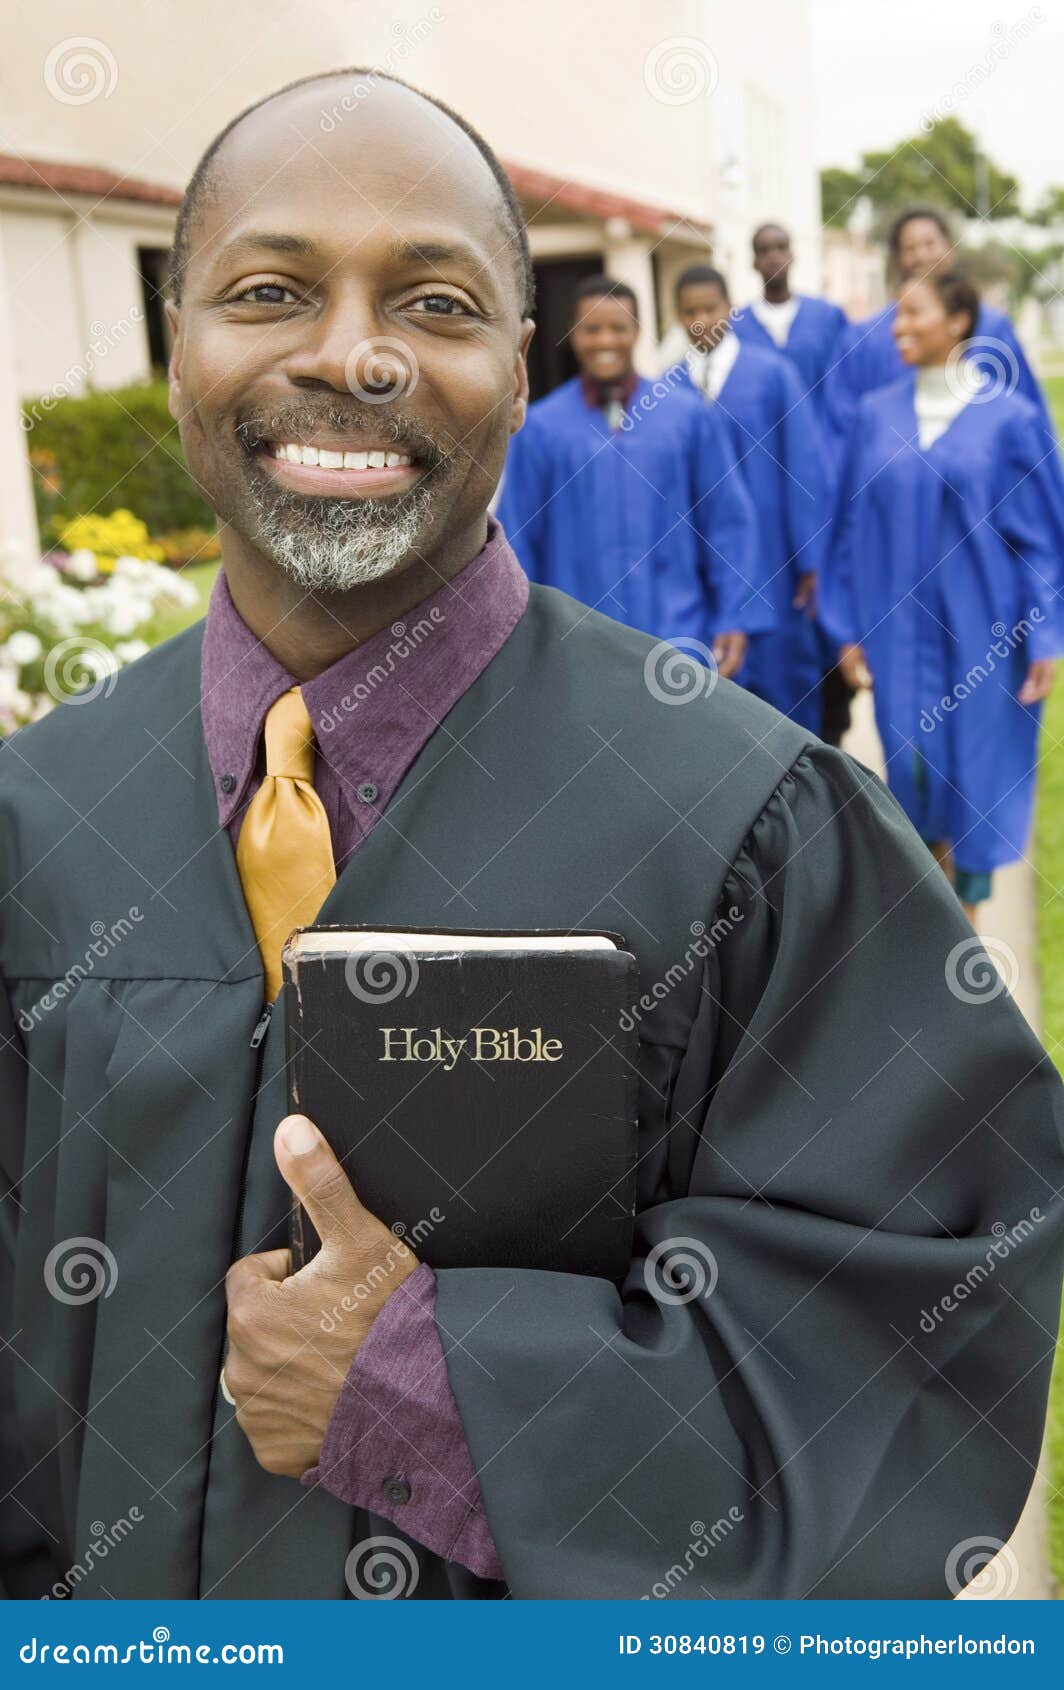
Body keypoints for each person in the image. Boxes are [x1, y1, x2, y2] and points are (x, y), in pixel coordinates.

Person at [2, 70, 1063, 1605]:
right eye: (270, 288)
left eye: (431, 302)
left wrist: (430, 1390)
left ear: (516, 362)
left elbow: (909, 1361)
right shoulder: (42, 821)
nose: (350, 352)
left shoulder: (750, 832)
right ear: (179, 348)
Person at [820, 268, 1064, 921]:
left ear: (957, 323)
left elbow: (1041, 538)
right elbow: (846, 527)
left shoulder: (1007, 419)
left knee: (975, 776)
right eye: (896, 315)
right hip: (896, 628)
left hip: (985, 627)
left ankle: (968, 947)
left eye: (914, 314)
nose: (897, 327)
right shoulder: (876, 415)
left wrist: (1042, 633)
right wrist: (845, 627)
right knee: (913, 769)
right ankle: (935, 935)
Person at [496, 275, 763, 678]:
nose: (605, 340)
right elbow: (519, 541)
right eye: (592, 329)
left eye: (618, 328)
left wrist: (733, 614)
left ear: (637, 332)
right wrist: (522, 638)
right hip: (578, 647)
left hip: (678, 636)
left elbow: (726, 521)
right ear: (573, 334)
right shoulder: (541, 430)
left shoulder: (687, 417)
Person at [673, 265, 831, 732]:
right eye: (690, 311)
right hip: (703, 574)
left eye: (711, 307)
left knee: (787, 696)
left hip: (774, 562)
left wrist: (811, 560)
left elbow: (805, 468)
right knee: (718, 711)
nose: (702, 319)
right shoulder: (668, 391)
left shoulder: (773, 376)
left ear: (730, 310)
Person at [824, 204, 1054, 448]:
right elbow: (842, 426)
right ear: (897, 260)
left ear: (950, 250)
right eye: (910, 248)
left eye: (930, 244)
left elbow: (1026, 412)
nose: (921, 255)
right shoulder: (863, 340)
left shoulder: (993, 329)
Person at [731, 223, 848, 423]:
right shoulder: (735, 327)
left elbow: (845, 382)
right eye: (764, 250)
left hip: (821, 439)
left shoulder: (827, 317)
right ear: (754, 262)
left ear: (792, 255)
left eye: (781, 247)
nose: (774, 257)